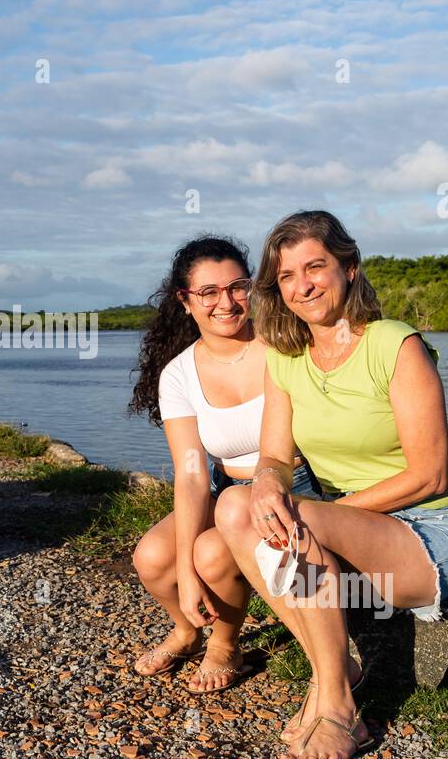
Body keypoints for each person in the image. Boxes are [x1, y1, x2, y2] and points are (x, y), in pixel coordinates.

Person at [214, 210, 448, 759]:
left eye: (316, 267)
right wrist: (266, 484)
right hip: (343, 521)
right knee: (236, 505)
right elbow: (275, 457)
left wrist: (309, 512)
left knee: (295, 519)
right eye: (287, 275)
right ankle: (335, 666)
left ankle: (336, 707)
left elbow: (428, 473)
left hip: (426, 528)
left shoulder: (394, 345)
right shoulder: (285, 359)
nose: (302, 285)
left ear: (349, 268)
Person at [127, 235, 320, 694]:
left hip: (298, 485)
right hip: (225, 487)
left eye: (237, 287)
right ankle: (187, 631)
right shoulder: (178, 374)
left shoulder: (284, 343)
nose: (226, 302)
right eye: (208, 292)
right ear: (185, 301)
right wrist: (185, 578)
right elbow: (192, 472)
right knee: (153, 558)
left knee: (210, 554)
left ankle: (225, 643)